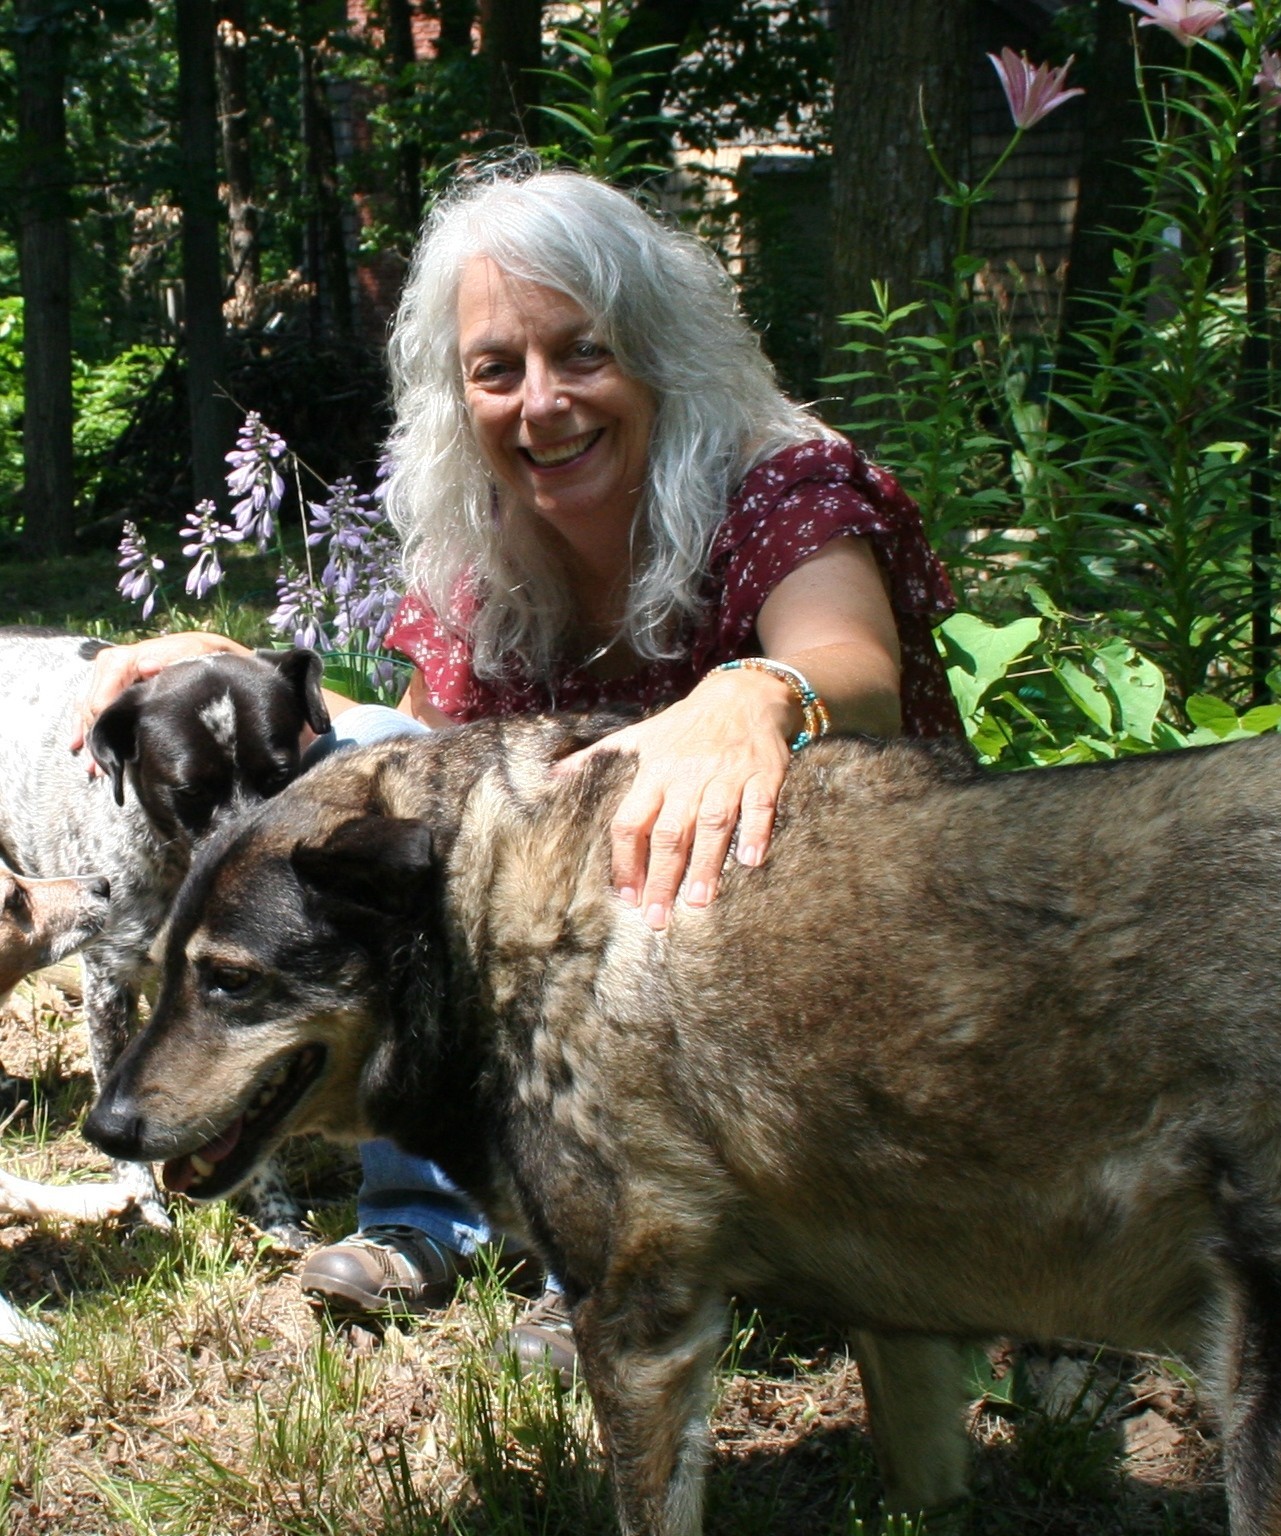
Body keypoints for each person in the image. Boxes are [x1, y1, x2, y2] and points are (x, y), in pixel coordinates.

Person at [77, 160, 959, 1384]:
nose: (541, 405)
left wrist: (752, 697)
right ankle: (423, 1221)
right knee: (394, 791)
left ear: (657, 352)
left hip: (791, 957)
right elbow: (402, 744)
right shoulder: (492, 539)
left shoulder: (779, 484)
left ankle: (604, 1264)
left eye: (582, 355)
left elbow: (851, 668)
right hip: (603, 974)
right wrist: (222, 663)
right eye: (497, 370)